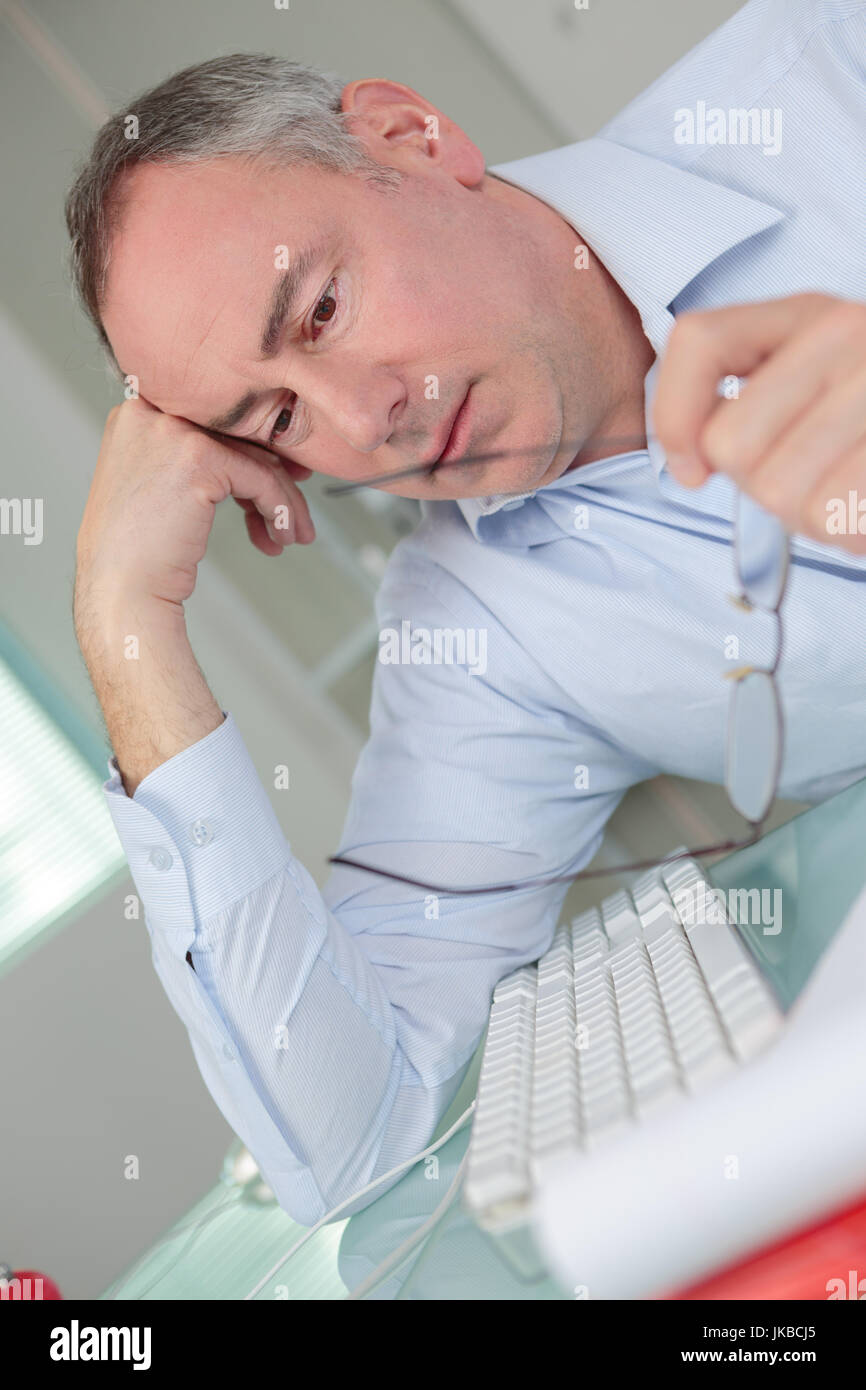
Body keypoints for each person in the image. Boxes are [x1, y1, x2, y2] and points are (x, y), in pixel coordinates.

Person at [66, 0, 866, 1224]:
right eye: (279, 420)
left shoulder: (829, 74)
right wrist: (127, 629)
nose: (359, 418)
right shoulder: (473, 633)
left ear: (410, 137)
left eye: (322, 311)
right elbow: (356, 1136)